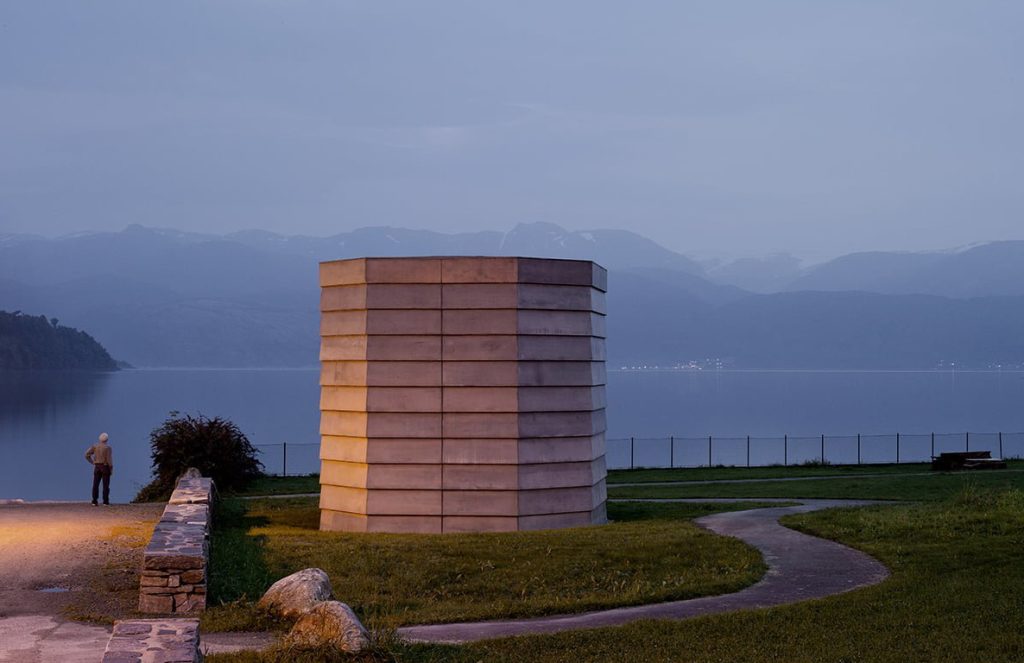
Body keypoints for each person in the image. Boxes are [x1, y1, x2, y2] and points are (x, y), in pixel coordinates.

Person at [85, 432, 113, 505]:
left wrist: (92, 462)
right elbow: (109, 460)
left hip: (97, 466)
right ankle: (105, 502)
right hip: (105, 466)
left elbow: (86, 454)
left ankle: (94, 501)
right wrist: (111, 468)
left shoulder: (95, 446)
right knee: (105, 485)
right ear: (107, 439)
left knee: (95, 484)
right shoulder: (108, 448)